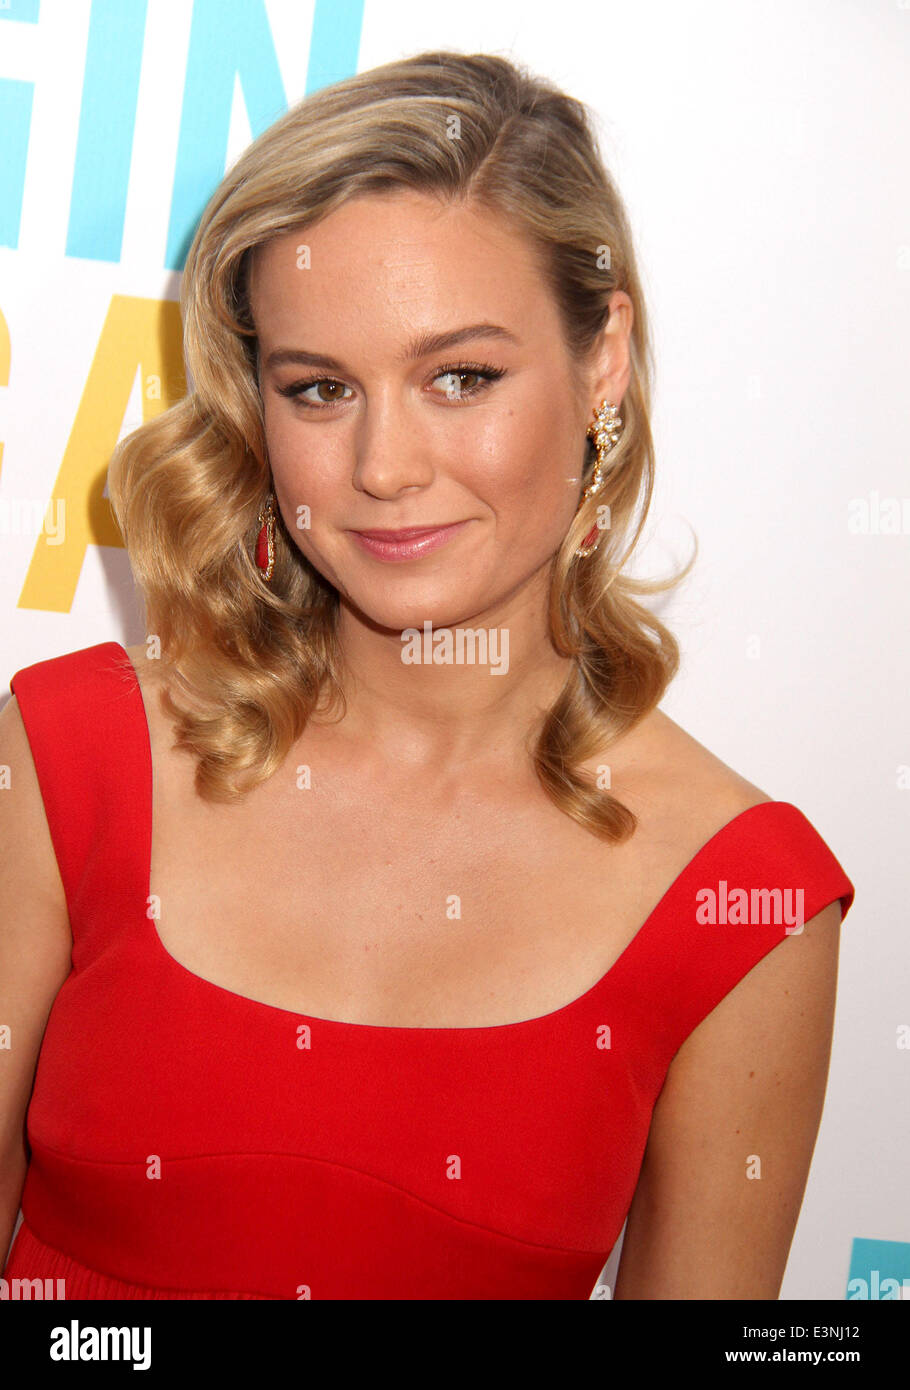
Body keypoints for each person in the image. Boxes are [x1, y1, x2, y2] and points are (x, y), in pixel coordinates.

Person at [0, 49, 853, 1301]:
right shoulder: (68, 757)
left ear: (601, 360)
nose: (383, 464)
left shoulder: (745, 906)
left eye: (462, 376)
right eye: (319, 388)